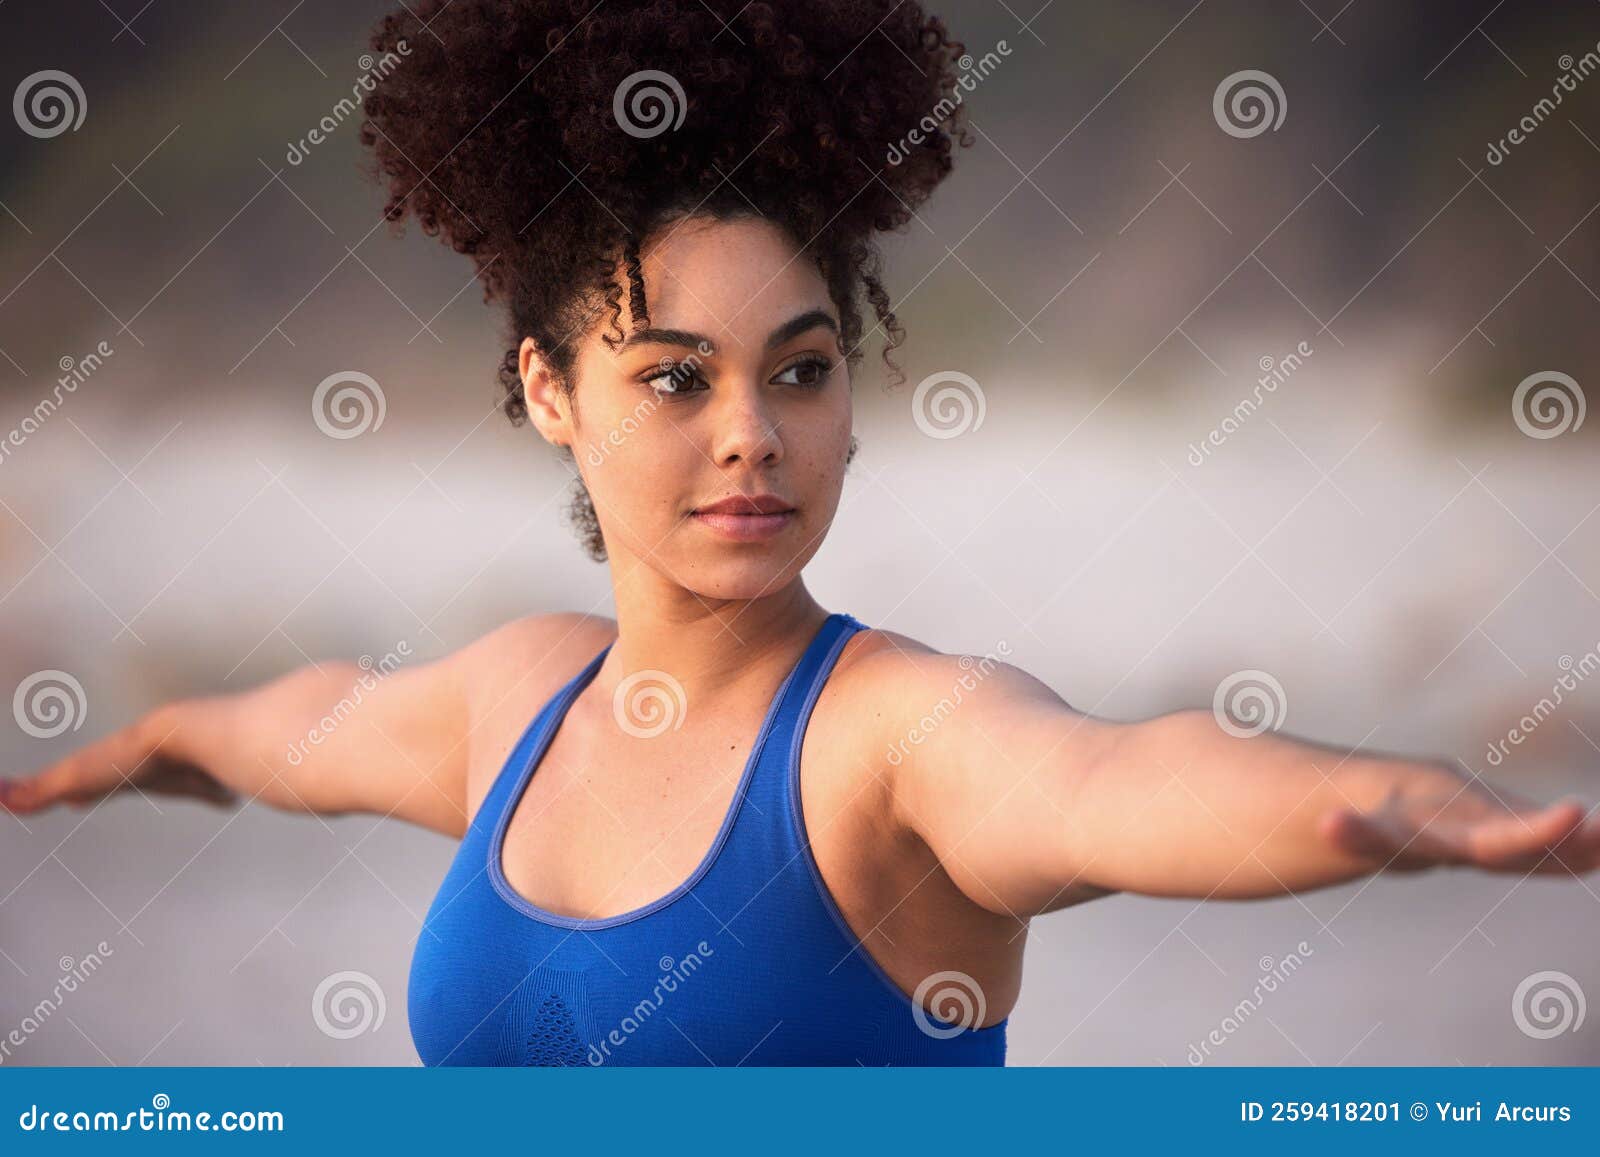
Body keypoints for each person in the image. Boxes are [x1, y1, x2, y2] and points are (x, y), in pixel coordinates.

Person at [4, 0, 1596, 1066]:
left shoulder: (891, 740)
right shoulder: (515, 701)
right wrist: (125, 747)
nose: (754, 429)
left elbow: (1124, 776)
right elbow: (287, 731)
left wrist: (1407, 806)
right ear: (548, 388)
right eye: (676, 377)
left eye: (804, 368)